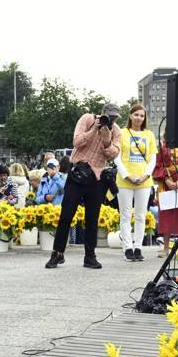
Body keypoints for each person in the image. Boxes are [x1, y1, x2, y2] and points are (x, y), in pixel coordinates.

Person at [46, 103, 122, 269]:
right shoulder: (87, 119)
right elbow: (77, 142)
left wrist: (106, 139)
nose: (111, 120)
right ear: (102, 113)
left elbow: (113, 155)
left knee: (92, 218)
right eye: (109, 116)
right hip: (77, 173)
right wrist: (94, 129)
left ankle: (90, 256)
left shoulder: (116, 131)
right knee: (66, 215)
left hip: (97, 177)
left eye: (115, 118)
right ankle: (57, 253)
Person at [114, 103, 157, 261]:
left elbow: (153, 159)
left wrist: (145, 176)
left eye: (142, 115)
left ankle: (138, 246)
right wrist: (127, 175)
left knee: (140, 215)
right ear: (130, 116)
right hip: (125, 180)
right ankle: (127, 248)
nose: (139, 118)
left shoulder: (149, 135)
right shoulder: (122, 133)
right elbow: (116, 157)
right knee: (125, 215)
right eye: (136, 114)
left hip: (144, 181)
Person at [153, 139, 178, 257]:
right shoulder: (163, 145)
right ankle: (165, 248)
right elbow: (158, 165)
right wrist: (167, 180)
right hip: (166, 183)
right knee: (166, 215)